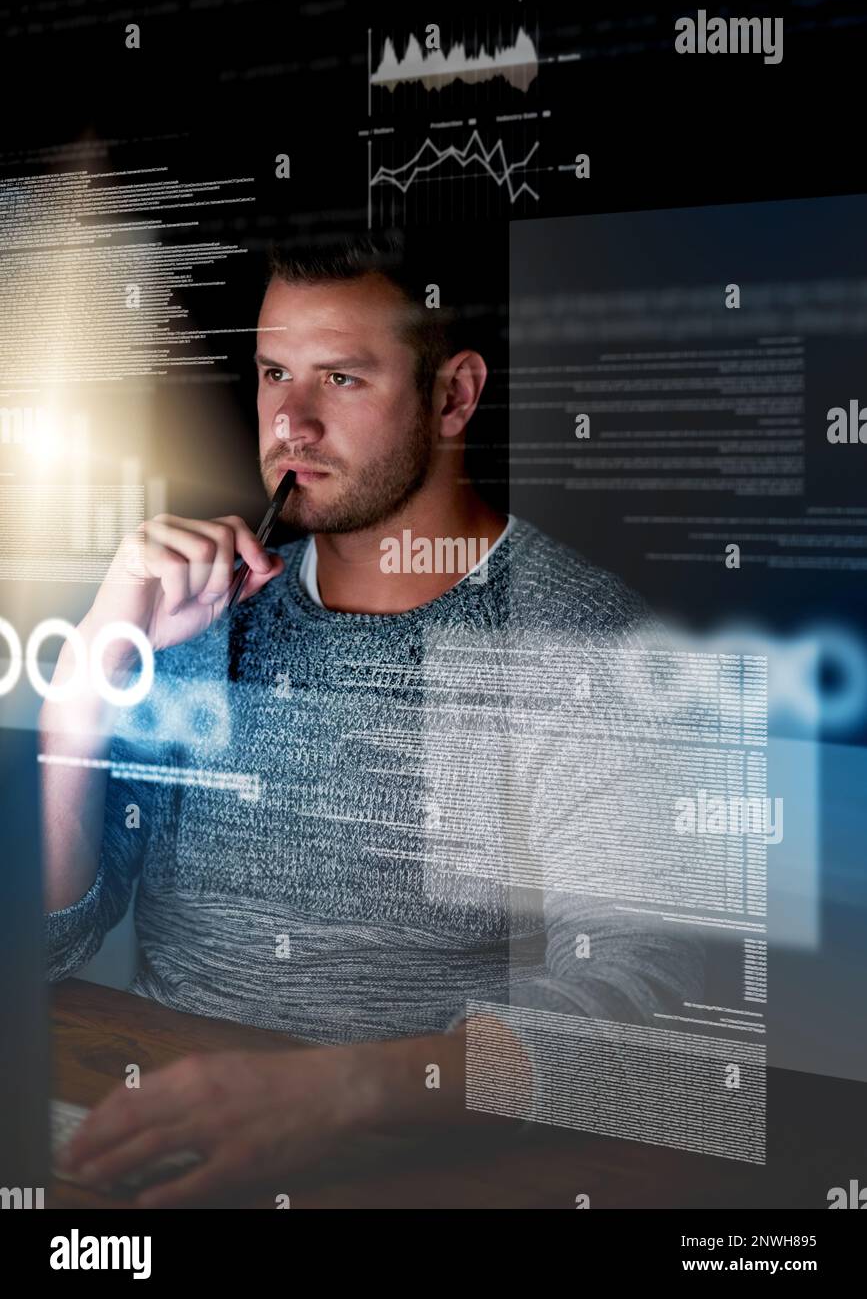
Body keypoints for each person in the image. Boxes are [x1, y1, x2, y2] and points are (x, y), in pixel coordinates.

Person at [40, 233, 703, 1205]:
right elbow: (51, 936)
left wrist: (338, 1092)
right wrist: (81, 696)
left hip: (415, 1158)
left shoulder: (590, 642)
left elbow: (651, 1010)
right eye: (273, 373)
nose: (289, 423)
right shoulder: (200, 612)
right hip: (156, 1119)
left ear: (453, 396)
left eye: (341, 379)